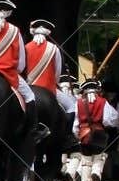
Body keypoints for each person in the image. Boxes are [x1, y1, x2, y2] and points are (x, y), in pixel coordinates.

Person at [24, 20, 79, 149]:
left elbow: (21, 67)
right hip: (48, 87)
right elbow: (58, 73)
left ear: (33, 32)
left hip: (28, 87)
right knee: (72, 107)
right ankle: (67, 136)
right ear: (48, 33)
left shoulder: (26, 47)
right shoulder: (54, 49)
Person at [74, 79, 115, 181]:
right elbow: (107, 120)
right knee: (99, 156)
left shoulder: (78, 102)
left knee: (86, 162)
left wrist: (77, 134)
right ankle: (96, 172)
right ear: (97, 90)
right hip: (99, 133)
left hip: (84, 134)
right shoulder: (103, 101)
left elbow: (76, 123)